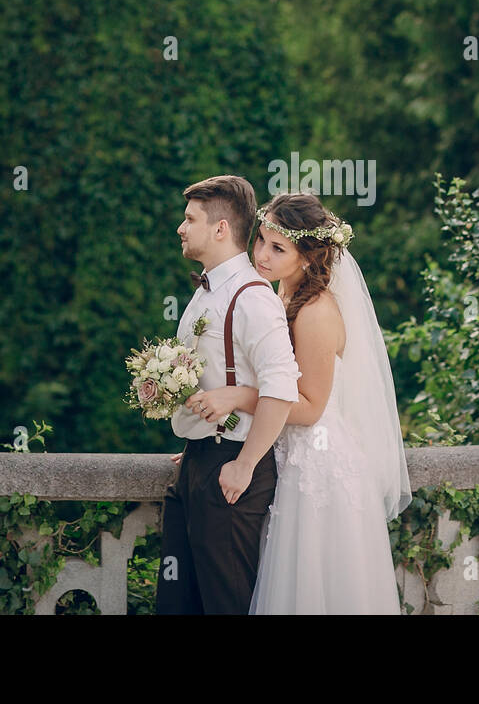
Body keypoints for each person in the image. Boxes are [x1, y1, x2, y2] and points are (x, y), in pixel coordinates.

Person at [186, 192, 412, 613]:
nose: (261, 256)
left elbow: (309, 408)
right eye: (260, 241)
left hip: (316, 468)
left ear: (308, 258)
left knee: (310, 588)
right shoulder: (279, 299)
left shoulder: (316, 313)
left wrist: (238, 397)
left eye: (277, 248)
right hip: (282, 451)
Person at [157, 175, 300, 615]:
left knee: (227, 603)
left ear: (220, 228)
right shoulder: (208, 291)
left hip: (233, 471)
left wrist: (244, 464)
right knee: (180, 603)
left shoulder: (253, 298)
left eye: (190, 219)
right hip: (199, 460)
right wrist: (197, 439)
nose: (181, 228)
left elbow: (282, 389)